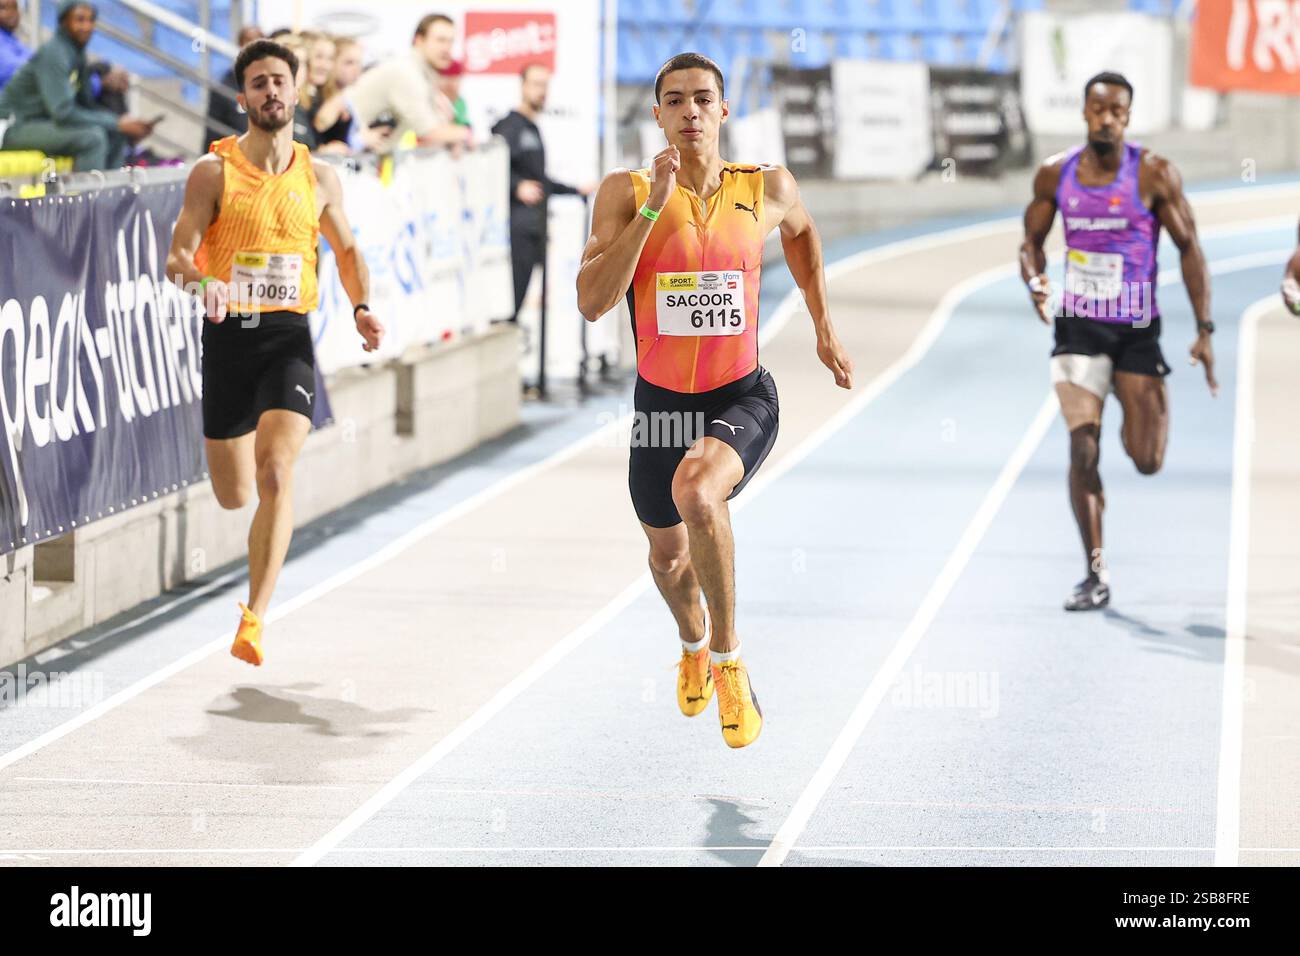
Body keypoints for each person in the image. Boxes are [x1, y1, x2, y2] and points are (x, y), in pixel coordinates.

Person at [577, 53, 853, 748]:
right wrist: (649, 207)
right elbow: (590, 302)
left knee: (699, 492)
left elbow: (805, 237)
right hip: (661, 406)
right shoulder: (625, 191)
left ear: (723, 111)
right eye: (676, 100)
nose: (691, 111)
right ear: (659, 115)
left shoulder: (766, 187)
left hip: (741, 394)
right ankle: (694, 640)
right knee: (668, 561)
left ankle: (730, 663)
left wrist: (823, 326)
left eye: (703, 99)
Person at [165, 38, 385, 666]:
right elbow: (178, 257)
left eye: (278, 82)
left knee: (276, 473)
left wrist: (362, 305)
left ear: (295, 92)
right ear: (242, 98)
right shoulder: (212, 172)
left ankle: (255, 617)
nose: (270, 92)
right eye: (257, 83)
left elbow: (345, 252)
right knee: (235, 493)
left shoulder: (320, 178)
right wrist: (204, 282)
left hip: (288, 336)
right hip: (229, 339)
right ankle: (253, 591)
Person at [1019, 71, 1215, 612]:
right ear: (1084, 112)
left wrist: (1204, 328)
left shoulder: (1153, 174)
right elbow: (1030, 244)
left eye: (1118, 111)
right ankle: (1094, 571)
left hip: (1135, 331)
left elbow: (1190, 247)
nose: (1107, 118)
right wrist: (1035, 279)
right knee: (1083, 447)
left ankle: (1144, 412)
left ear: (1128, 115)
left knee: (1147, 458)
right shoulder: (1055, 174)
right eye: (1098, 109)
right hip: (1077, 328)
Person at [0, 1, 155, 171]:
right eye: (79, 20)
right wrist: (117, 123)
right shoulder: (55, 53)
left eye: (90, 20)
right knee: (92, 138)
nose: (86, 26)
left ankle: (110, 195)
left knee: (115, 133)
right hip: (13, 126)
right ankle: (88, 196)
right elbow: (64, 113)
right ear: (63, 22)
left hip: (40, 122)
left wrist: (122, 123)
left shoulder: (76, 52)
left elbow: (86, 104)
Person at [492, 63, 594, 320]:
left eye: (545, 85)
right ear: (522, 86)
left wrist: (574, 189)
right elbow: (492, 166)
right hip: (515, 227)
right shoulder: (509, 126)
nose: (542, 91)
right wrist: (516, 186)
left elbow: (540, 181)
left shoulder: (533, 128)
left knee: (520, 300)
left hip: (535, 225)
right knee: (508, 299)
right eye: (536, 84)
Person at [345, 12, 471, 152]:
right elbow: (429, 132)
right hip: (343, 156)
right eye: (440, 40)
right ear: (419, 40)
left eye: (451, 41)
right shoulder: (406, 73)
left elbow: (439, 125)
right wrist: (466, 133)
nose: (447, 48)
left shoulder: (422, 74)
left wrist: (456, 136)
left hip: (357, 159)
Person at [204, 24, 264, 151]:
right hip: (235, 160)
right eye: (249, 41)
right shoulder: (224, 88)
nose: (255, 47)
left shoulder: (273, 85)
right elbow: (212, 134)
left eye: (260, 41)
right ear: (240, 46)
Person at [0, 0, 32, 91]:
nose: (12, 13)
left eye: (15, 8)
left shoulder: (13, 40)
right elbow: (13, 68)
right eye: (3, 8)